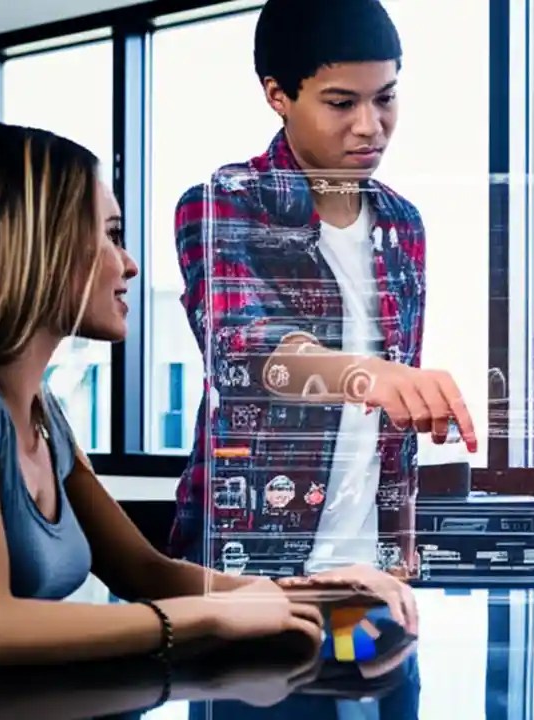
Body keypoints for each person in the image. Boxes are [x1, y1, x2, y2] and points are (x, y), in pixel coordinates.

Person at [0, 120, 386, 667]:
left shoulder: (45, 415)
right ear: (41, 243)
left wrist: (310, 597)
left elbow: (146, 571)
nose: (131, 264)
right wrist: (206, 618)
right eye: (113, 235)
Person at [168, 0, 477, 579]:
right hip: (247, 573)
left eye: (385, 97)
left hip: (368, 579)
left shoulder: (402, 223)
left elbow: (394, 423)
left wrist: (400, 550)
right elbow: (246, 352)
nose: (370, 125)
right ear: (277, 94)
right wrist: (371, 375)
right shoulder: (224, 203)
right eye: (341, 102)